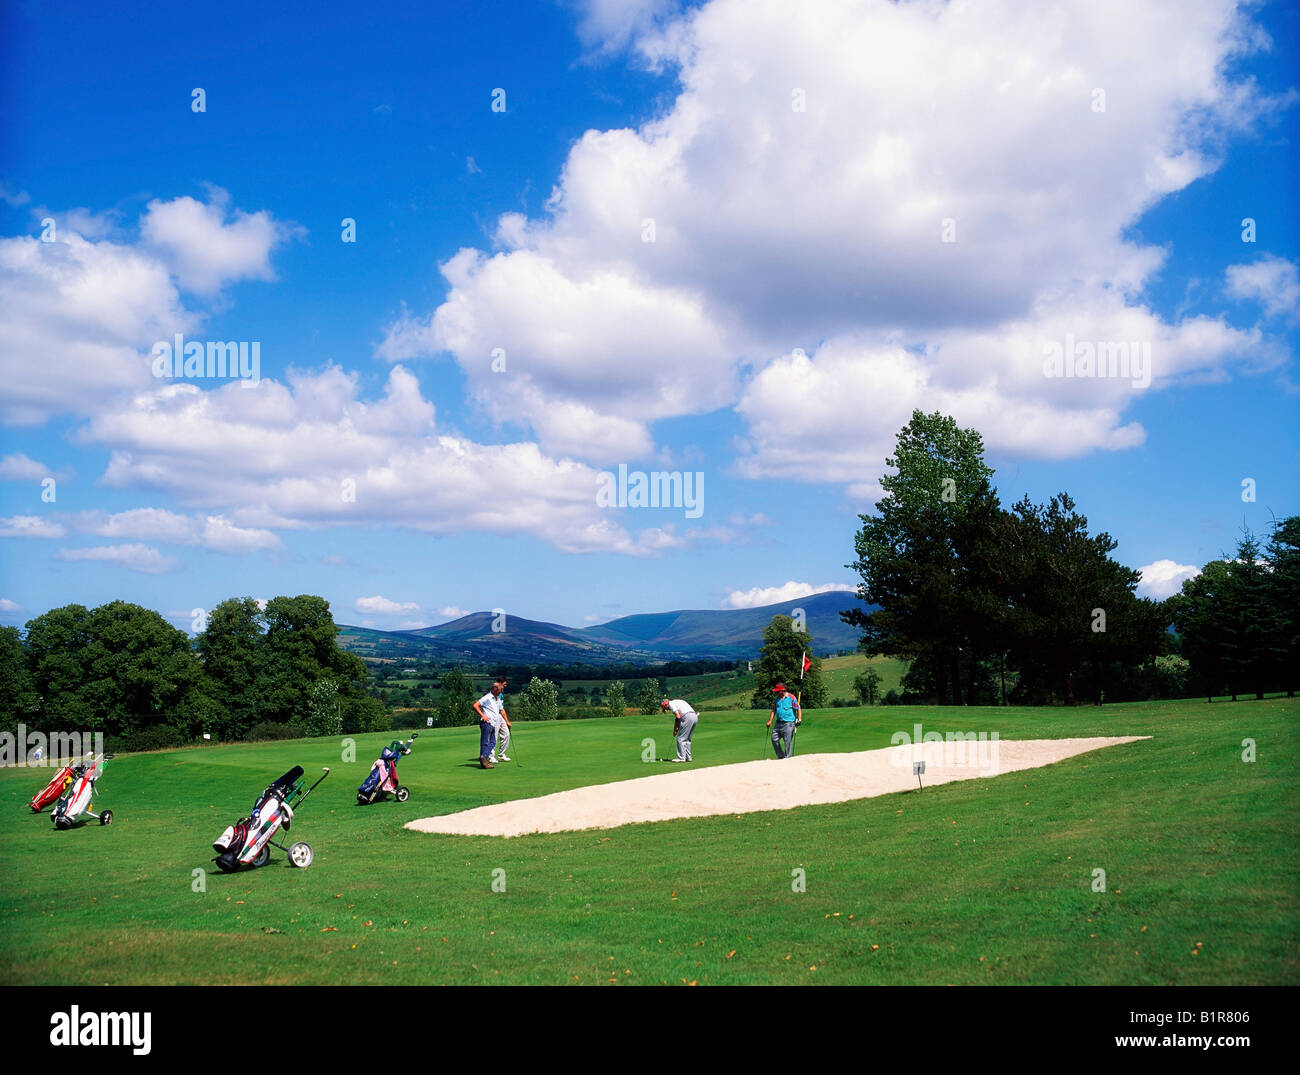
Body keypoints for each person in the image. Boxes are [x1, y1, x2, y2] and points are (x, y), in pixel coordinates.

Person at [473, 678, 508, 769]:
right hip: (486, 723)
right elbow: (475, 705)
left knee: (493, 742)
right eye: (500, 690)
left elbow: (501, 710)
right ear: (495, 690)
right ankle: (484, 760)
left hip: (493, 723)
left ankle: (484, 758)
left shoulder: (497, 699)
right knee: (485, 743)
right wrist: (483, 716)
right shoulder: (487, 697)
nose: (501, 692)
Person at [766, 682, 801, 759]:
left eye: (777, 691)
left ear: (782, 690)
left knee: (787, 741)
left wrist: (799, 719)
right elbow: (774, 710)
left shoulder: (791, 697)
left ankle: (787, 758)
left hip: (788, 723)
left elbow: (798, 708)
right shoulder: (777, 699)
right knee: (774, 739)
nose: (776, 693)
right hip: (778, 723)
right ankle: (781, 756)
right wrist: (770, 721)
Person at [660, 698, 697, 762]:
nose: (667, 710)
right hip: (694, 716)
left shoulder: (671, 705)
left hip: (687, 717)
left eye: (666, 708)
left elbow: (678, 717)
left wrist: (675, 730)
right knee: (687, 739)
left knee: (680, 738)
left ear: (666, 704)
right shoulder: (677, 701)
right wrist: (676, 728)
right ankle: (688, 757)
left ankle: (681, 758)